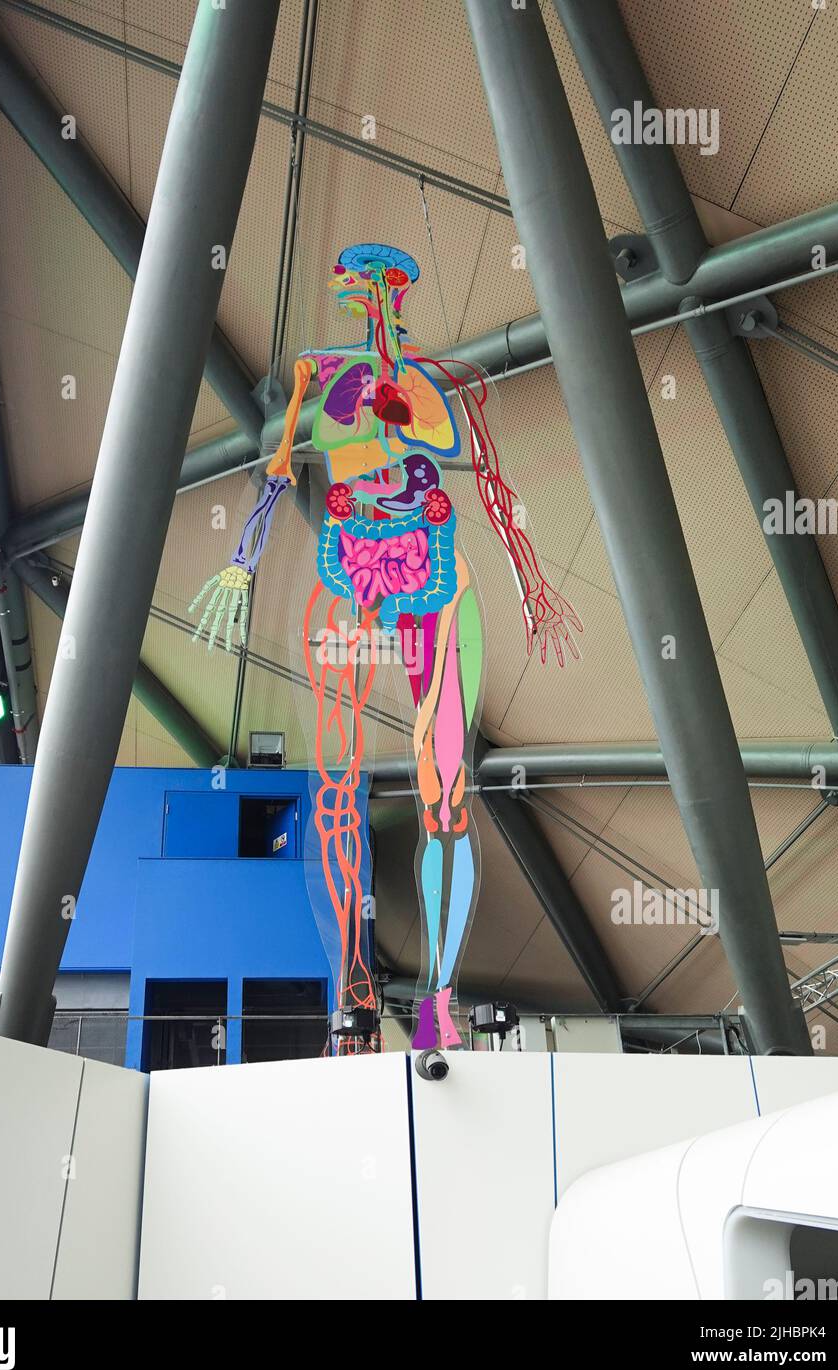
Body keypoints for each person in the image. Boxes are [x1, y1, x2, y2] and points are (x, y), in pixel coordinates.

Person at [191, 243, 581, 1051]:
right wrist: (241, 561)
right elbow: (277, 468)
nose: (373, 300)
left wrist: (529, 578)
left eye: (385, 287)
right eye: (363, 286)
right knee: (337, 781)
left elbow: (491, 475)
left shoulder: (436, 384)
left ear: (397, 294)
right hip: (352, 563)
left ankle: (438, 997)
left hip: (437, 571)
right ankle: (355, 989)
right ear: (349, 293)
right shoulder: (318, 376)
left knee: (446, 792)